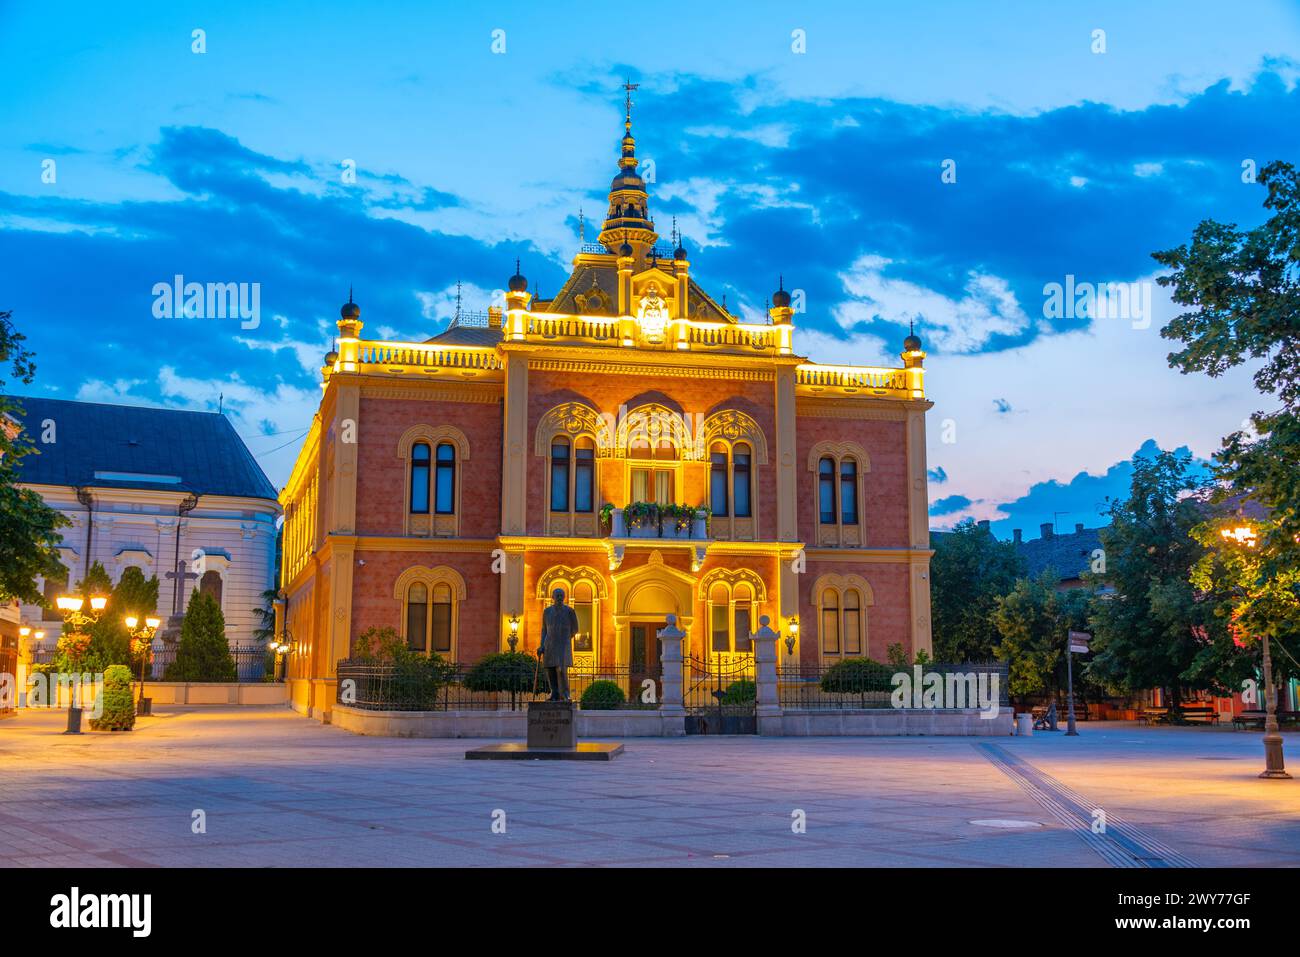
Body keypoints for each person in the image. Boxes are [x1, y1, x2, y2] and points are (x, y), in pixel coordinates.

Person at [538, 587, 579, 701]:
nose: (560, 598)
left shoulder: (570, 611)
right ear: (553, 597)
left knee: (561, 669)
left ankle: (565, 694)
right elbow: (544, 629)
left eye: (562, 595)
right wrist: (542, 645)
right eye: (557, 595)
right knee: (550, 670)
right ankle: (554, 693)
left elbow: (575, 628)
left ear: (564, 597)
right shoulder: (547, 612)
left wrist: (565, 637)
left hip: (563, 645)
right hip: (549, 645)